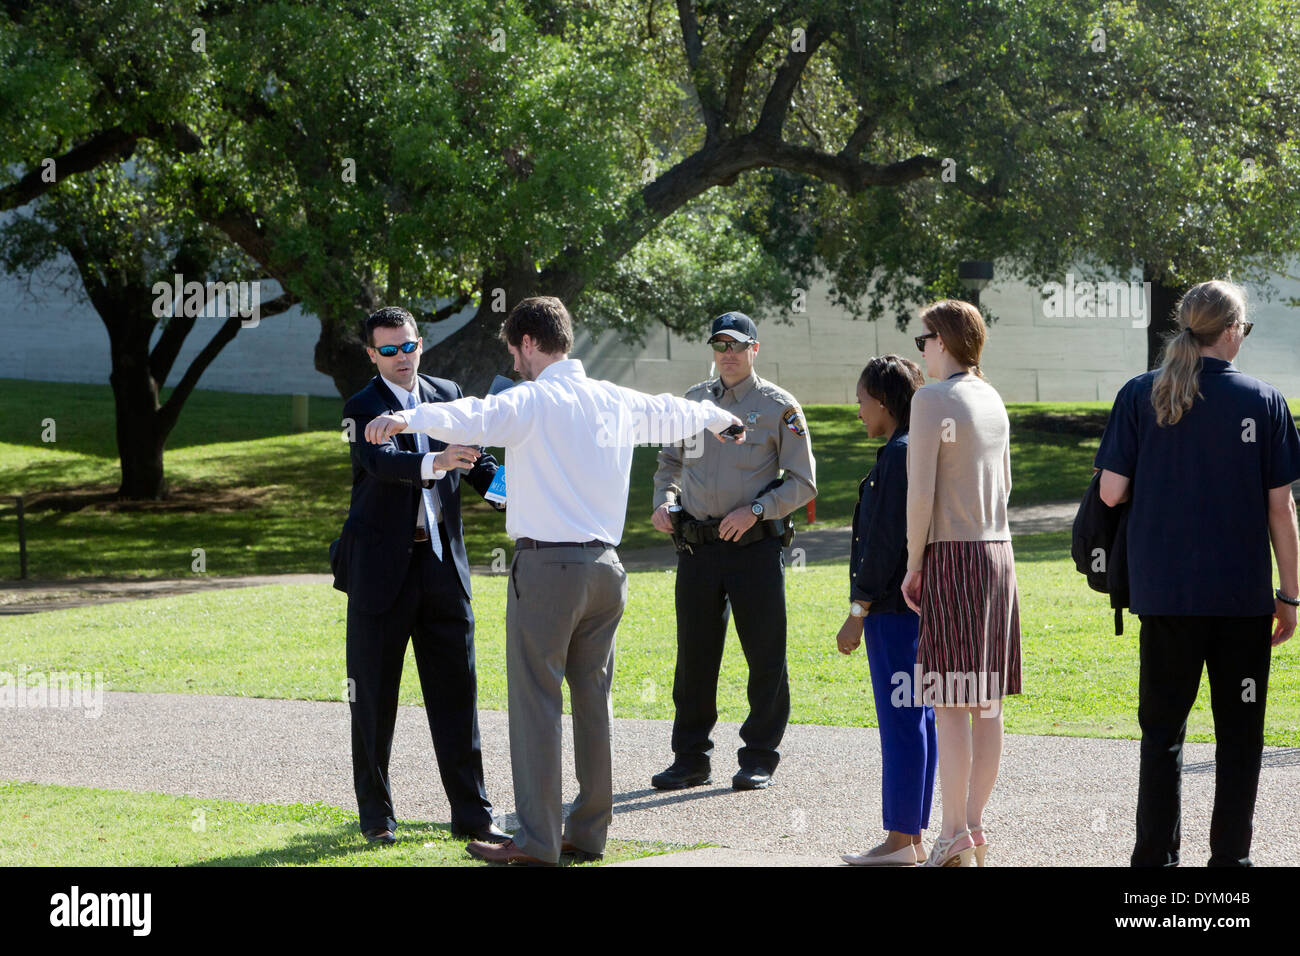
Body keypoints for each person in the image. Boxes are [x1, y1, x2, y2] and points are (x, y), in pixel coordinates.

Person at [364, 296, 744, 865]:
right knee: (593, 702)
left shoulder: (530, 400)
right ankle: (588, 833)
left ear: (527, 343)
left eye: (514, 351)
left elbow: (470, 416)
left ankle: (538, 841)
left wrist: (405, 417)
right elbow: (674, 410)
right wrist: (721, 418)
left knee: (537, 703)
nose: (514, 362)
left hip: (547, 571)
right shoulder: (614, 399)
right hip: (607, 571)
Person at [1094, 280, 1300, 867]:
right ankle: (1230, 860)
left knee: (1162, 733)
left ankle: (1155, 859)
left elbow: (1110, 491)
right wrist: (1289, 594)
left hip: (1164, 595)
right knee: (1240, 736)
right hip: (1240, 598)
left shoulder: (1140, 395)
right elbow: (1281, 511)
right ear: (1231, 330)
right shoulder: (1264, 401)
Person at [330, 306, 508, 846]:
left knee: (458, 693)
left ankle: (474, 816)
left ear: (420, 344)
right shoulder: (362, 406)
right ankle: (377, 818)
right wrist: (439, 461)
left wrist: (509, 494)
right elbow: (385, 464)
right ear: (371, 354)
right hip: (380, 574)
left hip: (442, 567)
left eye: (407, 346)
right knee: (374, 699)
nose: (401, 357)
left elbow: (474, 458)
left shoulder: (446, 390)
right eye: (388, 349)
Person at [649, 311, 817, 792]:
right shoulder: (694, 402)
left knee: (765, 655)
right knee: (695, 658)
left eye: (737, 346)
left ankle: (759, 755)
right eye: (719, 345)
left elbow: (803, 483)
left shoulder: (778, 407)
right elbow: (669, 465)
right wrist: (665, 500)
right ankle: (690, 759)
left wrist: (759, 509)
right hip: (698, 549)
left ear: (754, 350)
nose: (727, 354)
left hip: (753, 550)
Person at [900, 299, 1021, 867]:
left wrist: (912, 563)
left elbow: (919, 493)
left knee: (950, 702)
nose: (919, 349)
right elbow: (1006, 484)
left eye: (922, 339)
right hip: (998, 555)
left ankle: (951, 833)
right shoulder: (990, 396)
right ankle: (971, 827)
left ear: (942, 341)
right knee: (987, 704)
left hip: (954, 554)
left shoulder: (932, 399)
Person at [838, 355, 937, 866]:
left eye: (860, 401)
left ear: (880, 400)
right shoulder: (916, 448)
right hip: (923, 608)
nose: (858, 412)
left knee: (902, 720)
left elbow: (882, 546)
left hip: (894, 611)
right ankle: (913, 836)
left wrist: (858, 610)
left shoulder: (896, 456)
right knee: (920, 719)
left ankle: (901, 841)